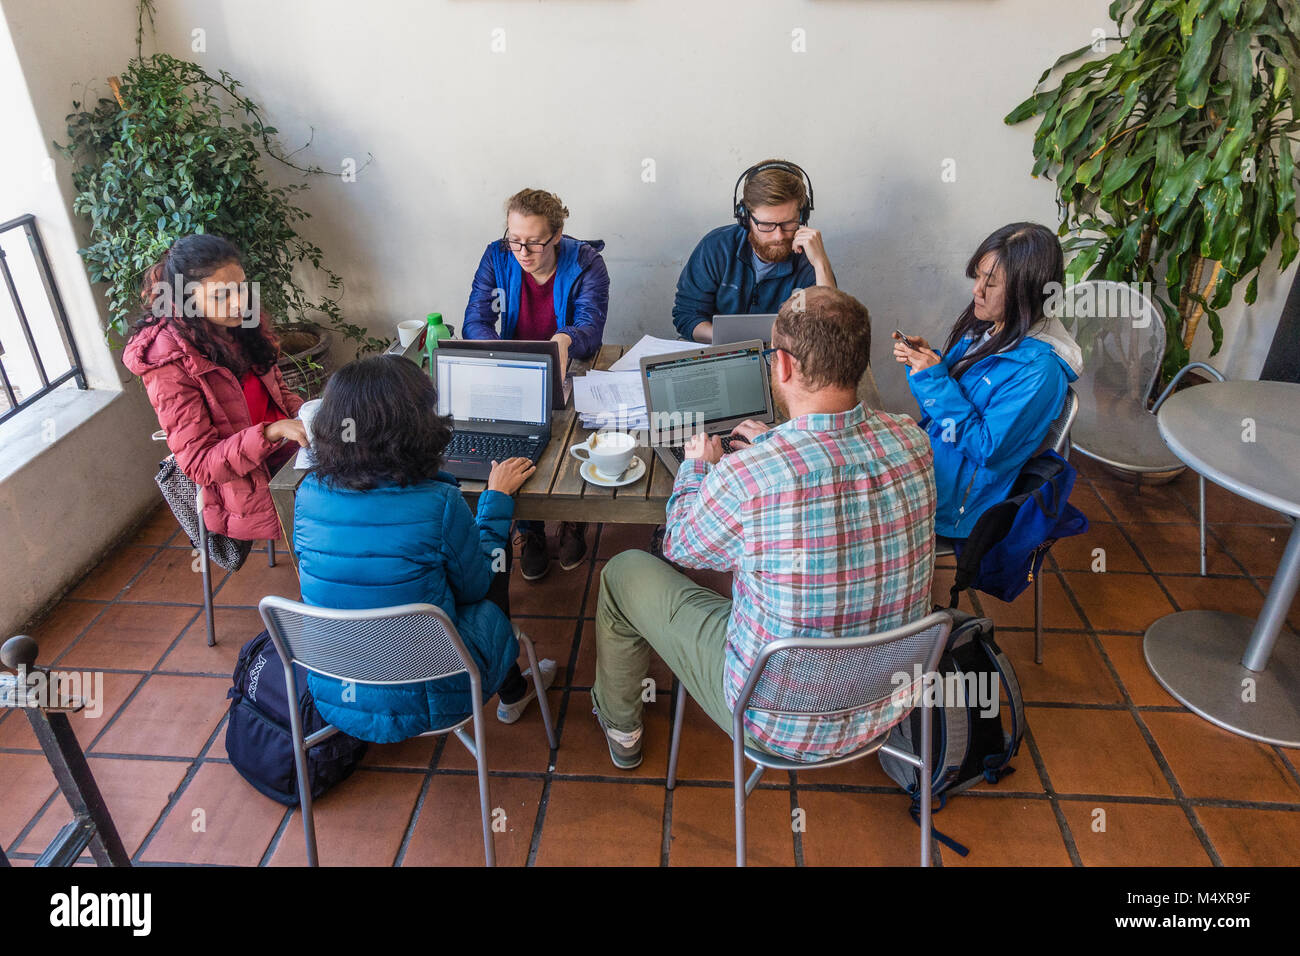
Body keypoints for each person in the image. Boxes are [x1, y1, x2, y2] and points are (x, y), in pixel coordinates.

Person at [592, 287, 936, 769]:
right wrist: (772, 441)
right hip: (889, 699)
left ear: (783, 366)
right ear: (859, 360)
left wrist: (698, 466)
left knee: (623, 571)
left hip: (774, 718)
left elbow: (682, 545)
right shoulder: (913, 442)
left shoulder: (747, 476)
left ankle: (621, 727)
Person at [293, 355, 557, 744]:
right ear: (415, 428)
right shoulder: (440, 504)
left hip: (338, 689)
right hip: (438, 690)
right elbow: (475, 586)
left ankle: (513, 690)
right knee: (493, 563)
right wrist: (496, 500)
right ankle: (512, 692)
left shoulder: (307, 495)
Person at [892, 221, 1082, 541]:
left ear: (1028, 291)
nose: (976, 290)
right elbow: (950, 405)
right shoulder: (988, 328)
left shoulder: (1040, 372)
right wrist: (930, 364)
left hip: (955, 504)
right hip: (936, 463)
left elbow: (986, 448)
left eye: (990, 283)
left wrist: (934, 379)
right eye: (978, 276)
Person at [463, 188, 610, 581]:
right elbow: (475, 321)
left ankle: (572, 521)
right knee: (514, 442)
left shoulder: (585, 262)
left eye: (534, 242)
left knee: (572, 442)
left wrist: (564, 339)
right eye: (515, 240)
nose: (522, 252)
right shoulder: (497, 254)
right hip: (514, 371)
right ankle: (529, 532)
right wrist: (505, 359)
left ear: (558, 235)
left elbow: (590, 330)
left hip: (570, 370)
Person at [124, 234, 307, 543]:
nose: (240, 303)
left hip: (288, 457)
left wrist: (305, 414)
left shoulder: (240, 326)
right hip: (248, 484)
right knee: (346, 515)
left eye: (242, 288)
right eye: (222, 296)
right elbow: (201, 465)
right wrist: (273, 432)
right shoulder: (169, 364)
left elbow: (276, 391)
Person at [671, 159, 836, 345]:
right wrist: (738, 343)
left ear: (802, 216)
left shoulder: (808, 258)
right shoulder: (716, 247)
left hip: (785, 357)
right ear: (745, 218)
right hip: (722, 352)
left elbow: (829, 330)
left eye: (789, 223)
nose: (779, 236)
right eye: (766, 225)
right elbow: (687, 315)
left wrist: (821, 263)